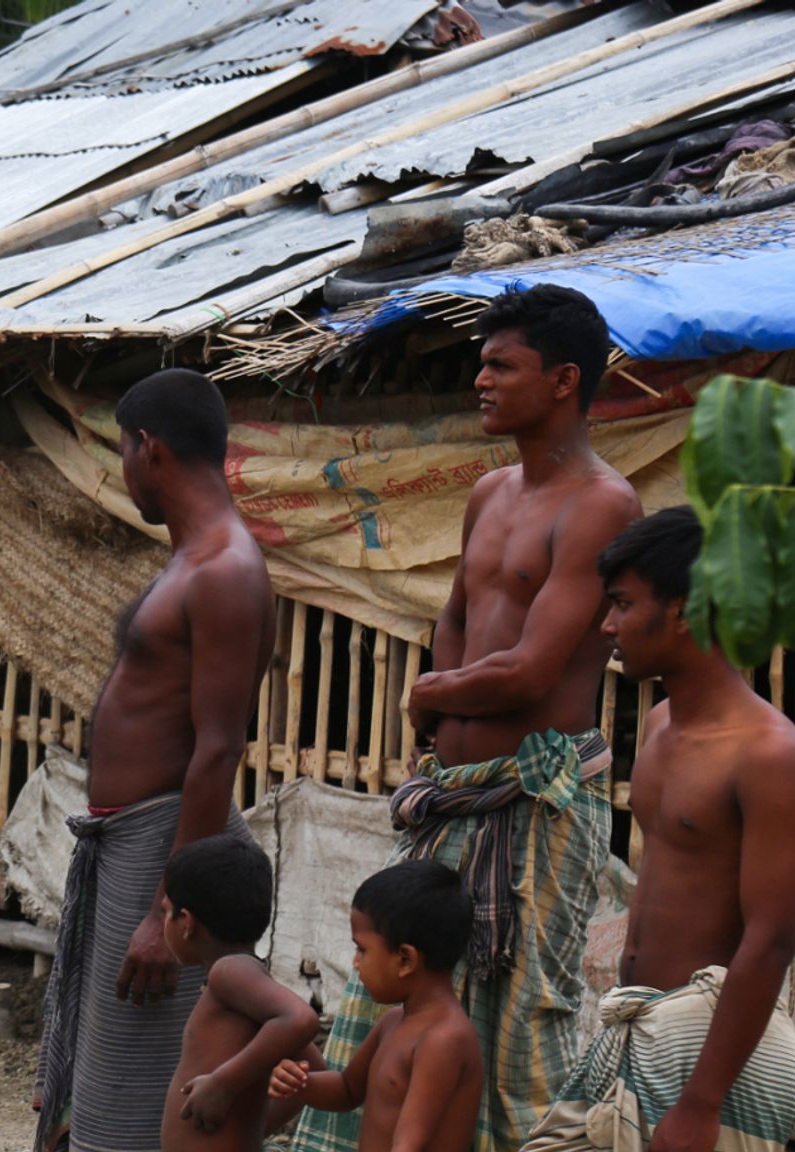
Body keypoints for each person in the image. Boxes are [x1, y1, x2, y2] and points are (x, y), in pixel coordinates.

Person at [300, 284, 642, 1152]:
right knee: (402, 1005)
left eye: (501, 365)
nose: (481, 380)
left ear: (564, 380)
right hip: (453, 795)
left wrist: (429, 695)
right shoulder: (491, 492)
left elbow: (530, 671)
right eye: (481, 363)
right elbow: (453, 620)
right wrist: (440, 692)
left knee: (522, 1023)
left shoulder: (601, 503)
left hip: (533, 811)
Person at [36, 368, 276, 1152]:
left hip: (168, 854)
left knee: (147, 1080)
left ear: (151, 447)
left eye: (122, 452)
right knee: (113, 1066)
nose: (122, 472)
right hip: (134, 846)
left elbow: (219, 747)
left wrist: (164, 906)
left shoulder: (226, 570)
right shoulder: (192, 559)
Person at [521, 508, 795, 1152]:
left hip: (715, 1052)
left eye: (622, 604)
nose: (607, 625)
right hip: (636, 1023)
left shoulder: (769, 755)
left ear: (685, 610)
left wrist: (702, 1102)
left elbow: (773, 937)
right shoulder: (661, 724)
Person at [271, 861, 483, 1152]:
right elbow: (347, 1090)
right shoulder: (394, 1022)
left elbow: (409, 1143)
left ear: (405, 960)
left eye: (362, 949)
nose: (356, 963)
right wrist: (300, 1084)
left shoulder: (444, 1039)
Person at [159, 835, 321, 1152]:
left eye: (166, 912)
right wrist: (252, 1128)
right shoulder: (243, 980)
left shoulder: (229, 972)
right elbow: (312, 1072)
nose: (165, 921)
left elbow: (301, 1019)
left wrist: (223, 1084)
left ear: (186, 922)